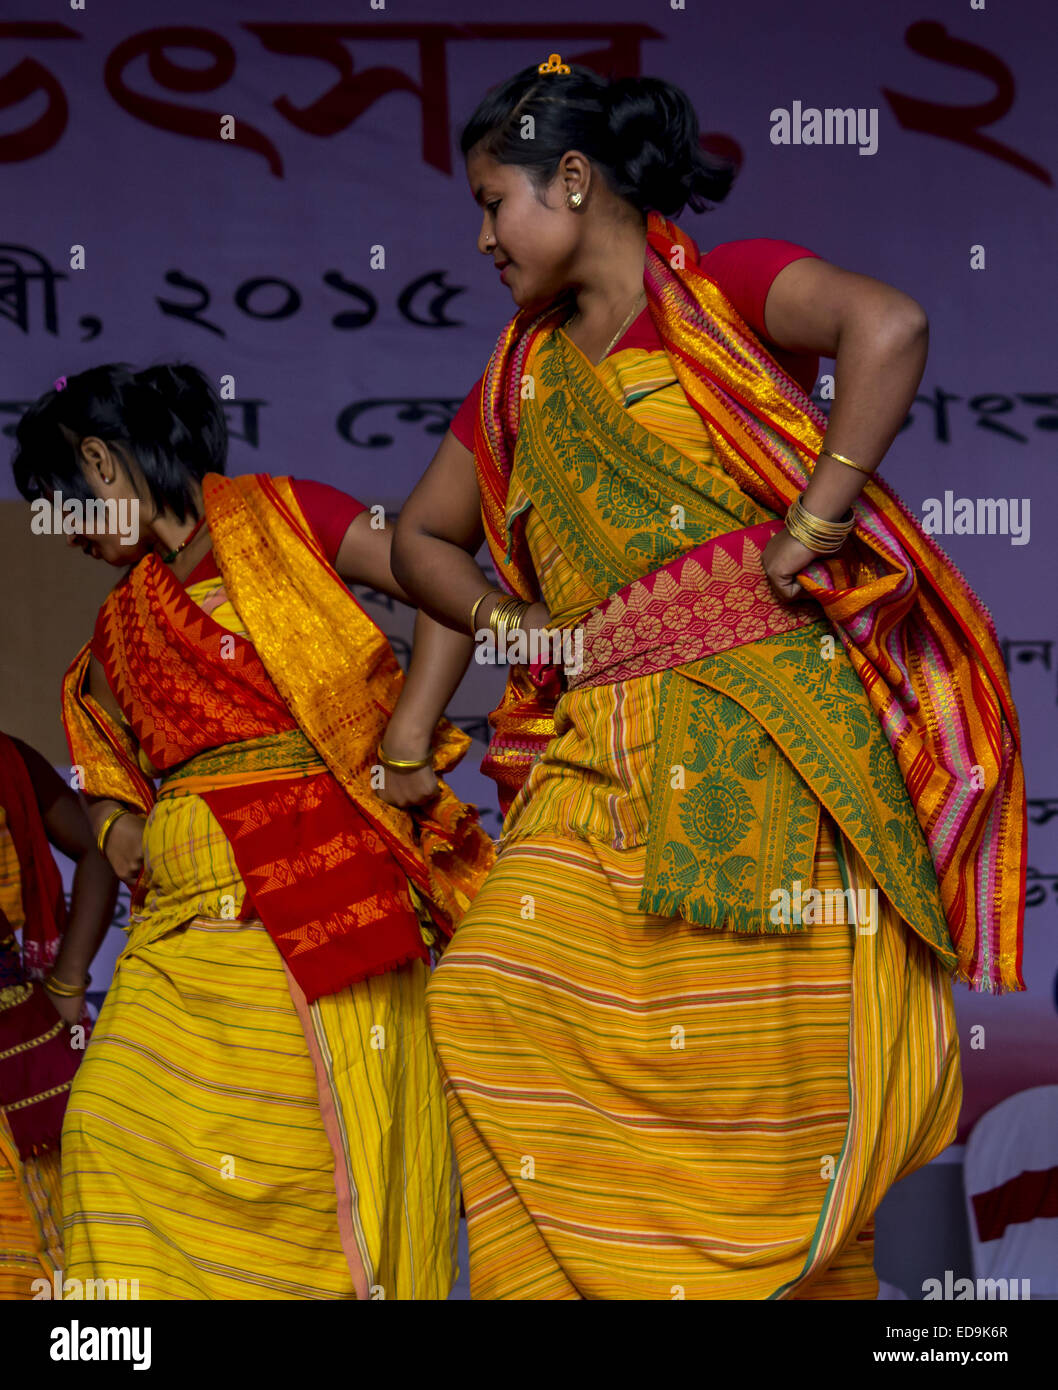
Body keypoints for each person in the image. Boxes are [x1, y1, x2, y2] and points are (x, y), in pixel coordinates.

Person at [391, 64, 1025, 1299]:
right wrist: (519, 626)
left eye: (491, 202)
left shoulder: (717, 293)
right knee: (479, 993)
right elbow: (420, 537)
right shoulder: (518, 379)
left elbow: (884, 326)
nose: (480, 239)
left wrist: (815, 521)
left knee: (759, 1087)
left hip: (762, 729)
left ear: (572, 181)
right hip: (593, 748)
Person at [11, 362, 493, 1300]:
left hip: (315, 904)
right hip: (181, 934)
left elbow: (443, 575)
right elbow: (107, 779)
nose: (62, 534)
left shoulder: (287, 515)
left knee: (305, 1155)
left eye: (62, 504)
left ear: (103, 462)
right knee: (106, 1122)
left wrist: (407, 730)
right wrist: (116, 837)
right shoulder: (122, 624)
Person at [0, 730, 117, 1298]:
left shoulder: (7, 760)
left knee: (55, 1256)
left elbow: (103, 848)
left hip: (16, 1032)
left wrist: (69, 981)